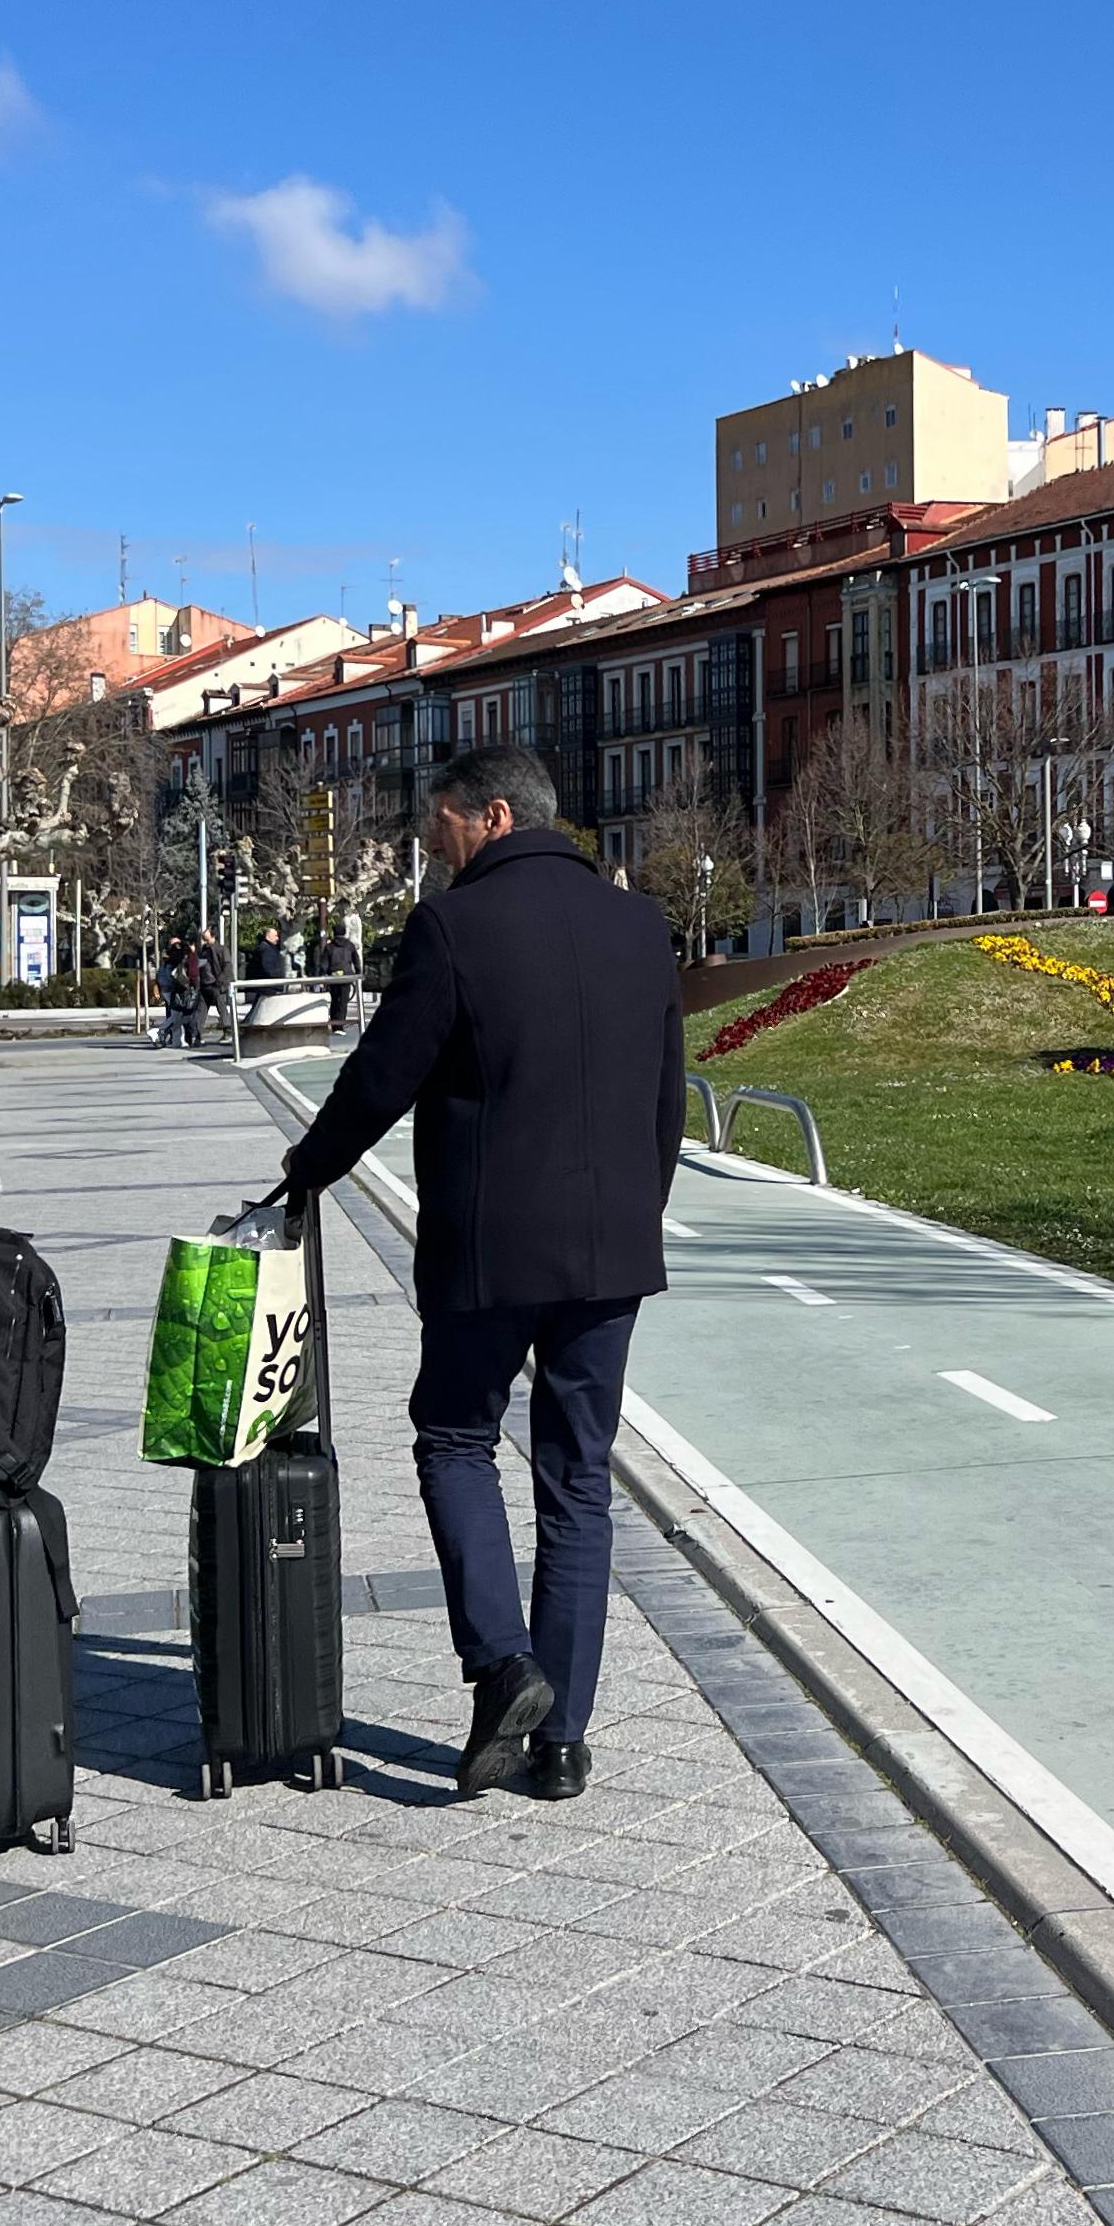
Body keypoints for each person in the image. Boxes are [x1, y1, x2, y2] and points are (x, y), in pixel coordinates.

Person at [278, 745, 682, 1802]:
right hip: (613, 1250)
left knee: (455, 1435)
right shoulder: (640, 926)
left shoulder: (455, 928)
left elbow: (381, 1078)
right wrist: (641, 1214)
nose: (430, 846)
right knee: (577, 1476)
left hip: (488, 1247)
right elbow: (666, 1100)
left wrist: (304, 1172)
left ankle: (503, 1661)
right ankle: (564, 1744)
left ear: (492, 814)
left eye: (438, 826)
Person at [154, 933, 201, 1048]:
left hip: (172, 989)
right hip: (174, 990)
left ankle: (177, 1040)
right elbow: (189, 974)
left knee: (177, 1015)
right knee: (177, 1015)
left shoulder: (169, 959)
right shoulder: (176, 959)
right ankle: (161, 1032)